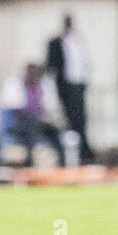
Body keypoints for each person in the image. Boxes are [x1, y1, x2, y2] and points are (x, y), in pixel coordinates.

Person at [45, 14, 94, 163]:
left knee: (81, 120)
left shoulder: (79, 41)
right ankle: (67, 155)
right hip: (64, 87)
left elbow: (85, 63)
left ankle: (83, 152)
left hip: (77, 86)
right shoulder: (55, 42)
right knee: (68, 121)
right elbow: (51, 67)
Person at [0, 63, 65, 166]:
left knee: (53, 133)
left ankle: (62, 161)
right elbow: (13, 113)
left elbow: (51, 111)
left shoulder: (44, 88)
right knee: (29, 123)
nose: (32, 76)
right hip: (18, 128)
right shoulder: (13, 86)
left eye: (35, 74)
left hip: (39, 127)